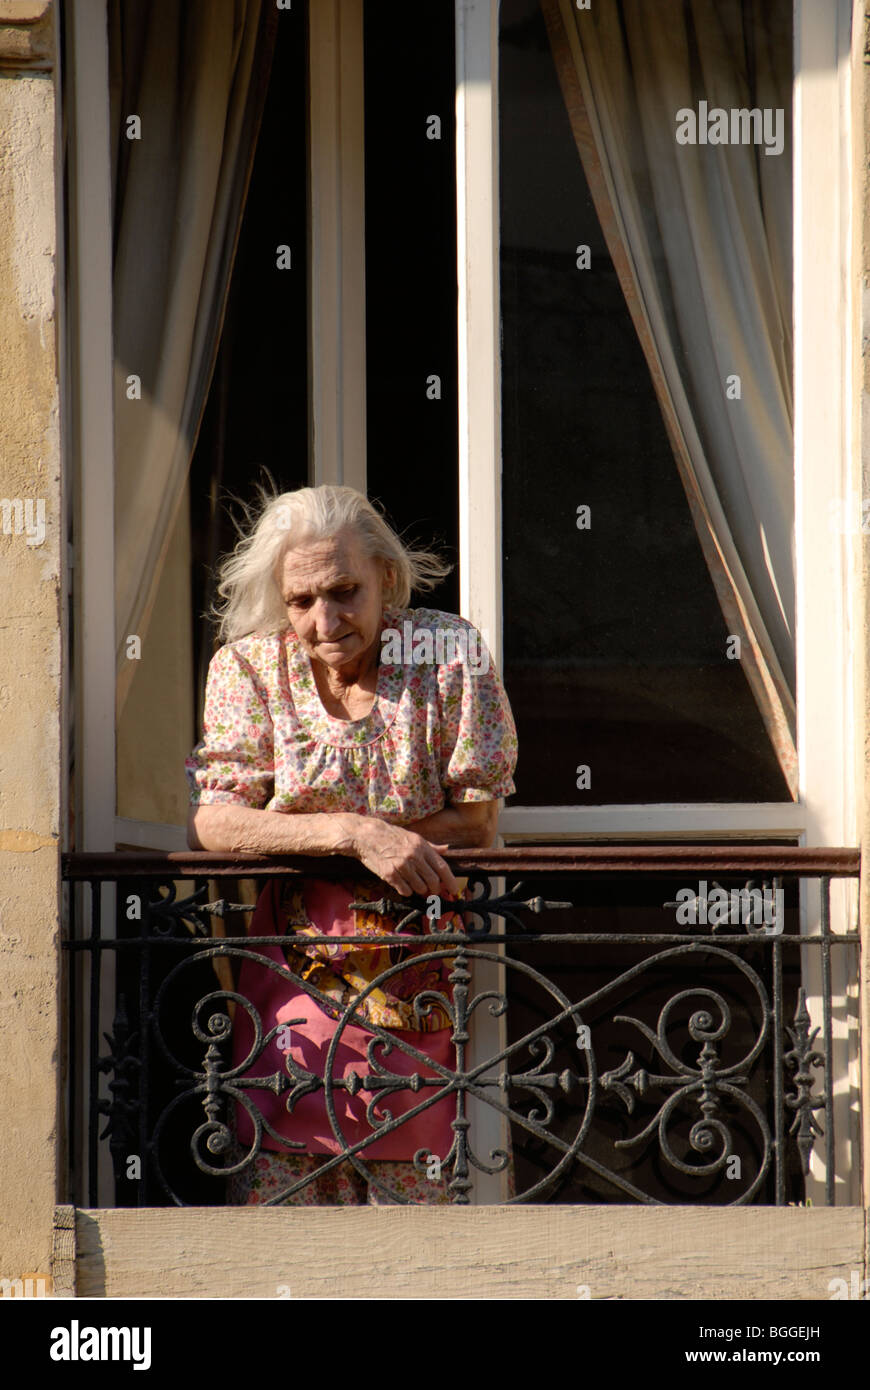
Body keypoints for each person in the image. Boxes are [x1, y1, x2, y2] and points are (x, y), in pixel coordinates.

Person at [185, 484, 518, 1204]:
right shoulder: (244, 667)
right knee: (286, 1198)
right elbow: (214, 821)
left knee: (411, 1210)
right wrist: (354, 834)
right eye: (301, 601)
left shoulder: (447, 651)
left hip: (414, 972)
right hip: (289, 979)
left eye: (344, 592)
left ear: (387, 581)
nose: (324, 620)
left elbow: (477, 820)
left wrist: (384, 842)